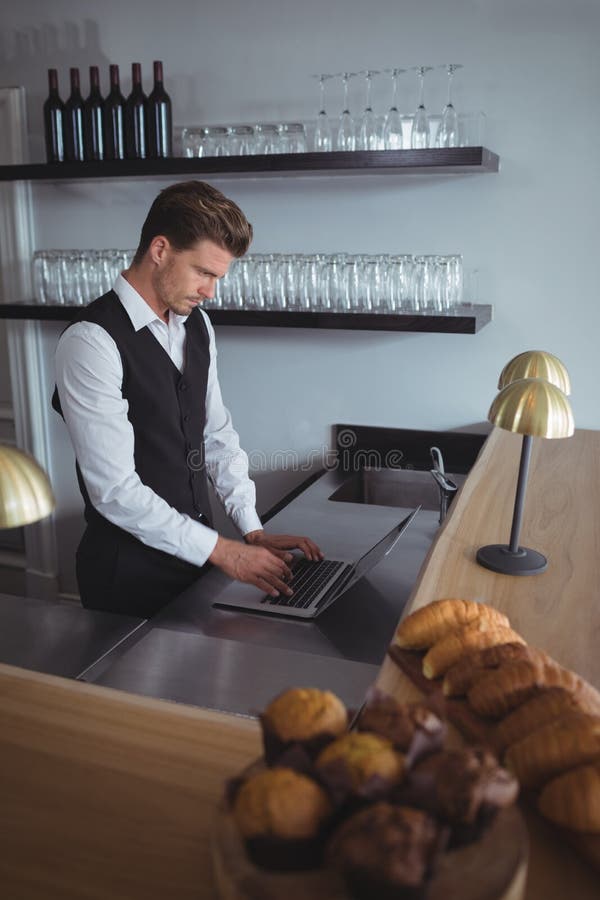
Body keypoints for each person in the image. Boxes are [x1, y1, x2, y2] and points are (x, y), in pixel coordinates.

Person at [53, 180, 322, 618]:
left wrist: (250, 530)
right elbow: (114, 491)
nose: (210, 291)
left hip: (195, 567)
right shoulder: (92, 342)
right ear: (160, 250)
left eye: (218, 277)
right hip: (126, 579)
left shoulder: (198, 326)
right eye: (204, 272)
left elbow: (216, 435)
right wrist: (224, 552)